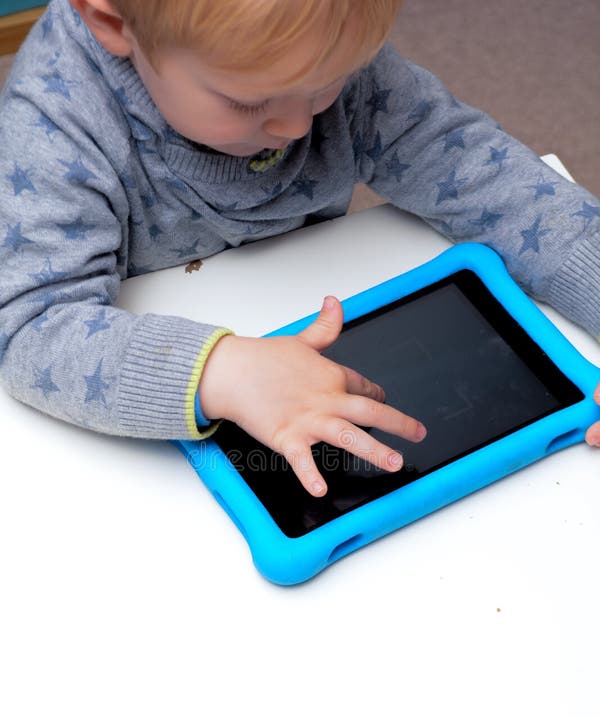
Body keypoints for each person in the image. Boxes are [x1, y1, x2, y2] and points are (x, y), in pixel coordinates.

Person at [1, 0, 599, 497]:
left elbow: (479, 174)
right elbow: (29, 324)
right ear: (112, 23)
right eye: (249, 102)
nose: (296, 127)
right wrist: (218, 370)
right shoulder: (50, 130)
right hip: (152, 393)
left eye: (326, 87)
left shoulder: (312, 44)